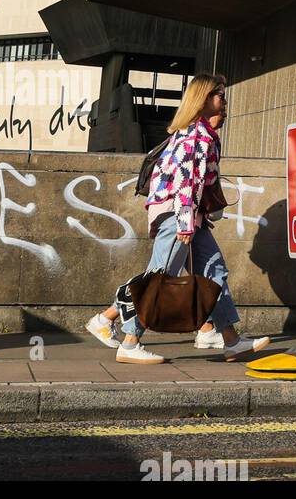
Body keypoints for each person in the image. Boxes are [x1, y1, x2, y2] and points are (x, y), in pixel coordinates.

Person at [84, 75, 270, 364]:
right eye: (219, 94)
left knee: (214, 271)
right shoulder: (196, 136)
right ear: (204, 99)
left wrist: (196, 218)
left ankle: (231, 340)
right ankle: (129, 340)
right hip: (177, 215)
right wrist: (186, 221)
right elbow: (187, 181)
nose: (225, 99)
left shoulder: (201, 134)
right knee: (159, 277)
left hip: (188, 216)